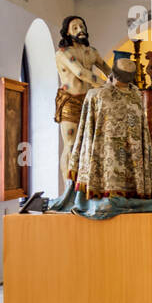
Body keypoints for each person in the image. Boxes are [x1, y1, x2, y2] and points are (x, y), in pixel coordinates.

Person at [49, 51, 152, 219]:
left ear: (113, 74)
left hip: (104, 161)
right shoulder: (136, 97)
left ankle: (98, 197)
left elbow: (86, 133)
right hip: (130, 164)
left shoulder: (97, 95)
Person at [53, 16, 110, 185]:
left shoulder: (91, 52)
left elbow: (108, 69)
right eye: (75, 27)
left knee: (88, 145)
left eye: (81, 26)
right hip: (70, 102)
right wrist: (108, 85)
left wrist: (121, 80)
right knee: (71, 145)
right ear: (67, 32)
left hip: (88, 101)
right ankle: (69, 189)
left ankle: (86, 186)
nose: (80, 30)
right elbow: (81, 73)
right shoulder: (64, 53)